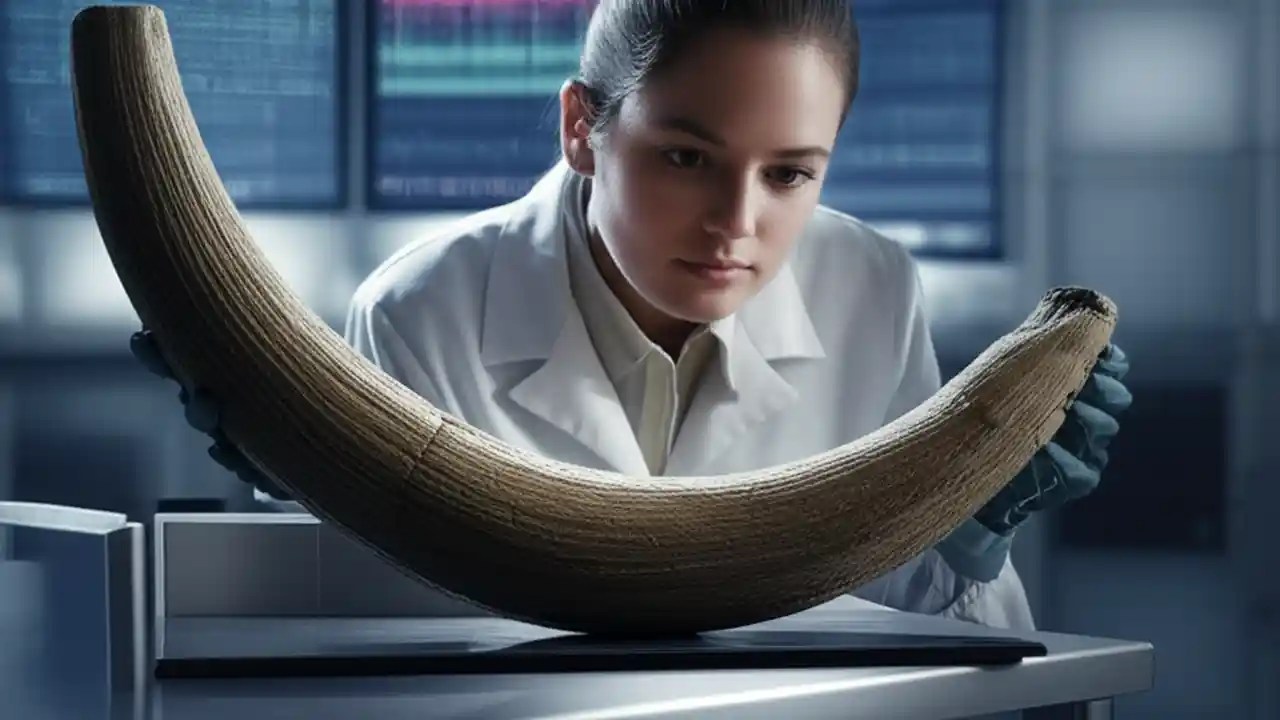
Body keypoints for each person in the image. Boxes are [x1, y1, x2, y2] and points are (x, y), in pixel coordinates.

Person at [131, 0, 1132, 631]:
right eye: (686, 157)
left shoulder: (868, 285)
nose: (736, 224)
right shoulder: (420, 306)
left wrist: (968, 535)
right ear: (582, 127)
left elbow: (896, 618)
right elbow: (410, 629)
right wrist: (316, 489)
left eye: (788, 173)